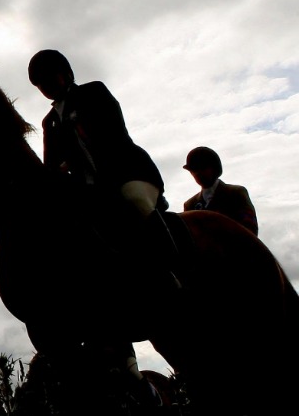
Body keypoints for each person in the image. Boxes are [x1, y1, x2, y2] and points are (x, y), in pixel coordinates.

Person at [27, 51, 178, 292]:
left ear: (66, 74)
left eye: (48, 78)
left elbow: (113, 135)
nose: (45, 86)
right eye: (39, 84)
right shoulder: (49, 122)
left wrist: (73, 161)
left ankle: (172, 269)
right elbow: (51, 166)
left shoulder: (94, 92)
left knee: (136, 200)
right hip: (88, 191)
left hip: (127, 174)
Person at [181, 146, 258, 236]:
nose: (197, 173)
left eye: (202, 167)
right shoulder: (190, 205)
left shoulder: (236, 193)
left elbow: (250, 230)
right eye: (193, 169)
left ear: (214, 168)